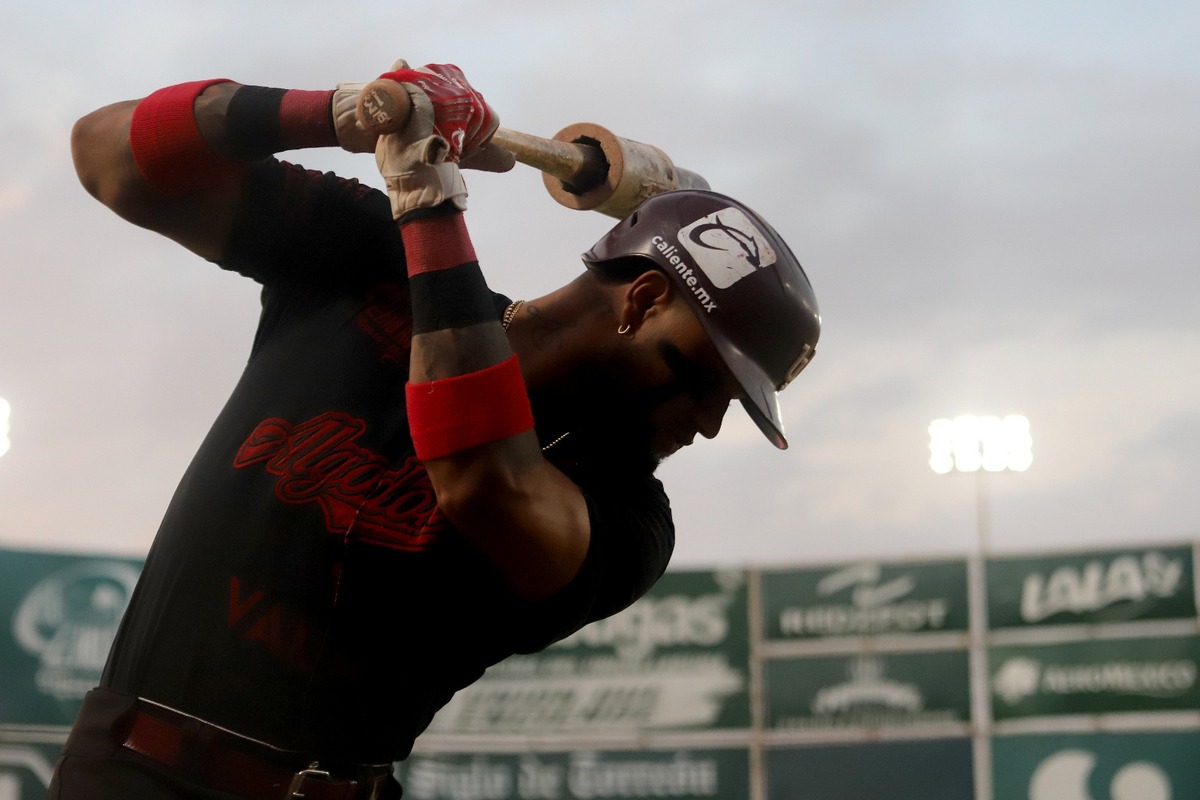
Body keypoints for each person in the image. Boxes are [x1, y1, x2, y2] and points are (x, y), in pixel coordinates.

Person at [49, 61, 820, 800]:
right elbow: (110, 158)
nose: (712, 425)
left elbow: (480, 474)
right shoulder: (373, 262)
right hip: (126, 780)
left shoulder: (630, 518)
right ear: (644, 300)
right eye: (707, 381)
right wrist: (340, 112)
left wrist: (425, 192)